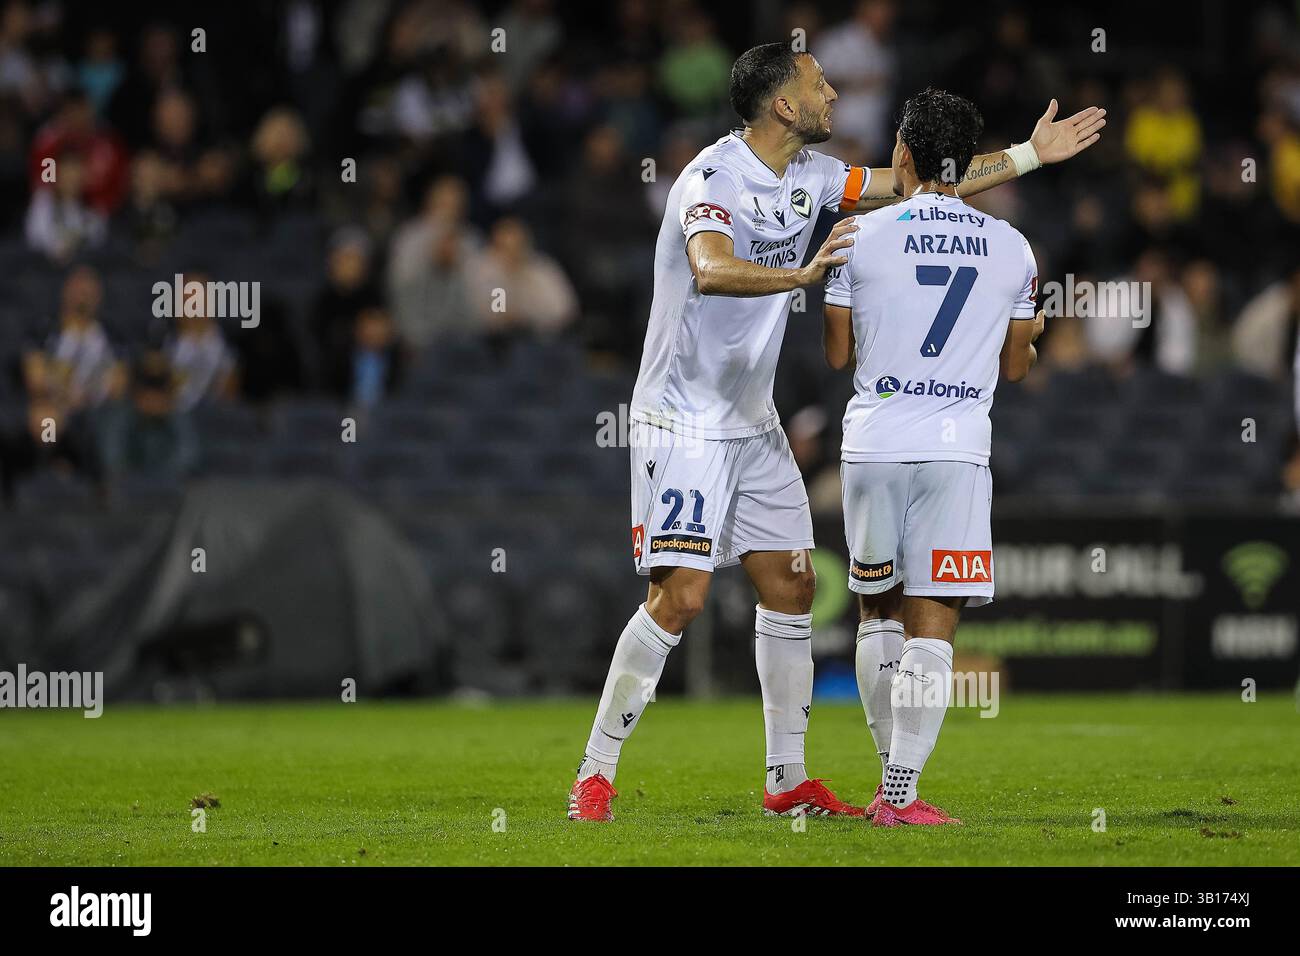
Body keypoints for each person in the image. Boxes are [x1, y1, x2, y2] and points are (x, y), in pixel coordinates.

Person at [566, 42, 1105, 822]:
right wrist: (805, 275)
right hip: (682, 420)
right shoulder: (710, 178)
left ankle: (786, 778)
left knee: (792, 585)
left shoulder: (815, 178)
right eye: (819, 86)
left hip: (752, 424)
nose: (833, 96)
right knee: (680, 597)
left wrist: (1028, 153)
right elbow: (712, 268)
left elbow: (919, 183)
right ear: (783, 106)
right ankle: (595, 771)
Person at [821, 88, 1049, 826]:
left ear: (904, 155)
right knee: (934, 623)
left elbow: (836, 354)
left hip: (874, 445)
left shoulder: (857, 235)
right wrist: (1029, 336)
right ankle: (901, 795)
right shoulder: (1014, 247)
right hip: (954, 449)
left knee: (877, 614)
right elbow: (1016, 370)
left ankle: (886, 787)